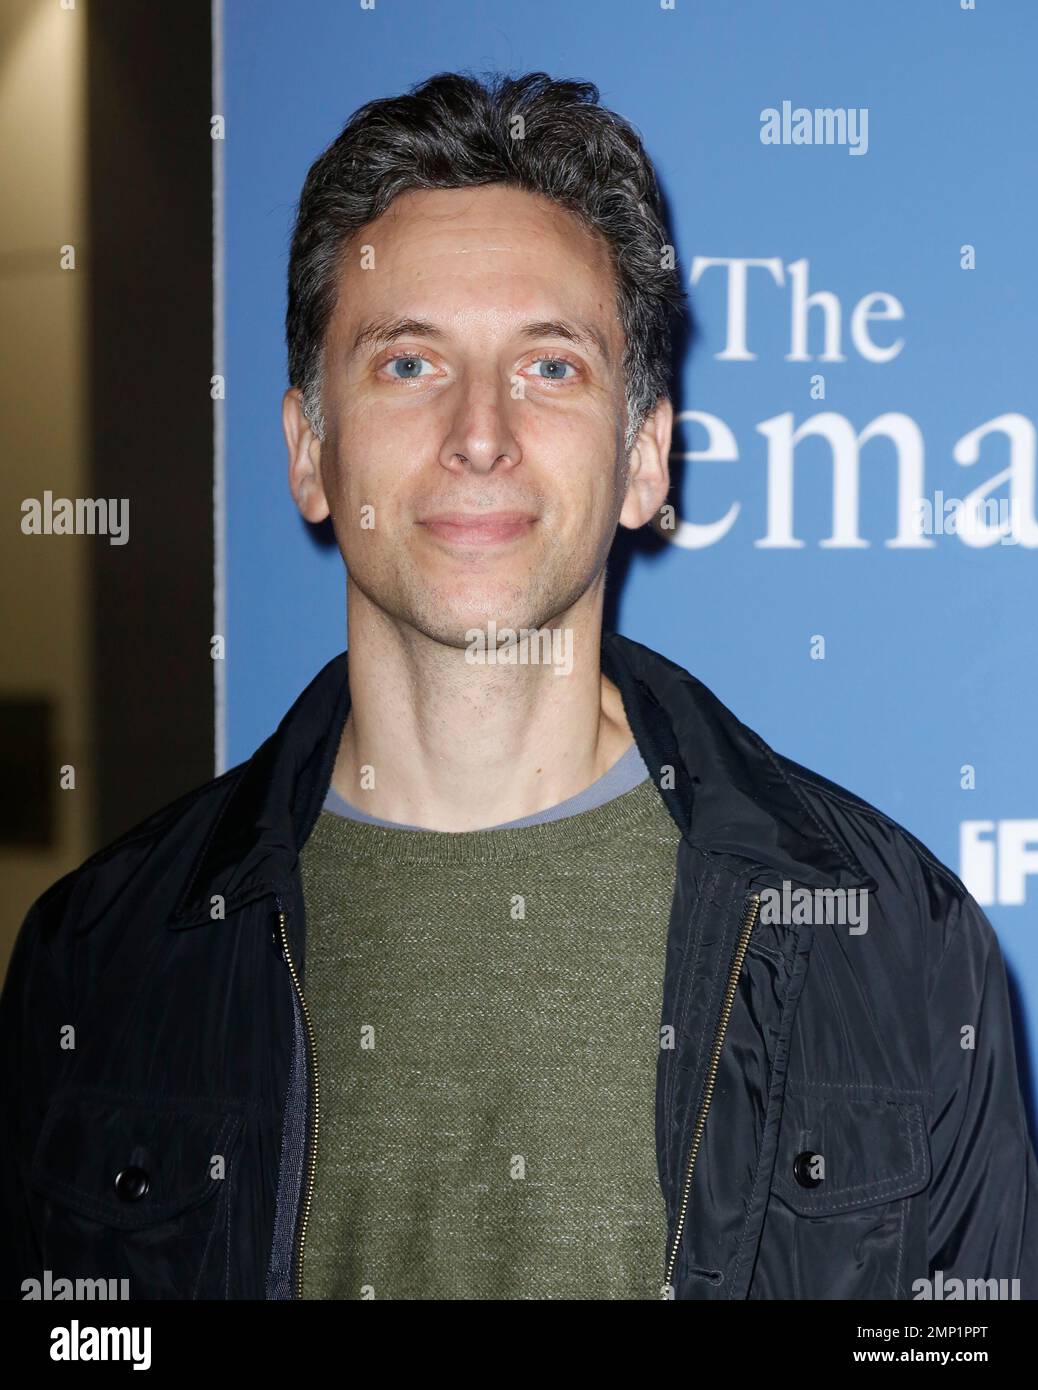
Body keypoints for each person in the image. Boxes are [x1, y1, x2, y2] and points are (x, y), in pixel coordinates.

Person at [2, 70, 1035, 1302]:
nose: (480, 432)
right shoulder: (102, 962)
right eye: (406, 365)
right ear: (307, 450)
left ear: (646, 459)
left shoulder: (897, 951)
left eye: (550, 367)